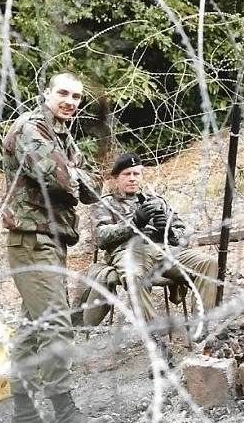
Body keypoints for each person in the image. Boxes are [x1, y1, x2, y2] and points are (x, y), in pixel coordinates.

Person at [2, 72, 114, 423]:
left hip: (51, 239)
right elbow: (56, 176)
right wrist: (77, 175)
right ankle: (65, 416)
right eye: (62, 93)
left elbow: (93, 188)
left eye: (76, 97)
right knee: (55, 324)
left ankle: (26, 415)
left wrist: (78, 175)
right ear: (46, 94)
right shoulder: (29, 129)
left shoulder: (61, 137)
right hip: (32, 238)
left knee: (33, 329)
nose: (69, 101)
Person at [91, 152, 218, 360]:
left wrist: (169, 231)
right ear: (116, 178)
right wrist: (134, 223)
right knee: (134, 277)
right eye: (126, 174)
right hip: (129, 252)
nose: (132, 178)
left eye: (137, 173)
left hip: (162, 250)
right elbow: (101, 237)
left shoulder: (156, 200)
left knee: (208, 263)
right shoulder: (105, 204)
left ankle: (200, 328)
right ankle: (156, 344)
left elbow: (183, 232)